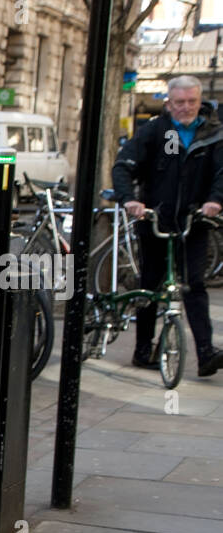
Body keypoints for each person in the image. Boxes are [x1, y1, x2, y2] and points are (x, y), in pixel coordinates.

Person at [112, 74, 223, 377]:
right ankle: (143, 350)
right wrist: (129, 200)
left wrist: (215, 200)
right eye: (179, 102)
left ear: (200, 102)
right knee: (150, 286)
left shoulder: (213, 133)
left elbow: (221, 174)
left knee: (194, 285)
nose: (185, 108)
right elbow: (124, 166)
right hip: (156, 220)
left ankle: (205, 353)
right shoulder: (155, 131)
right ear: (169, 103)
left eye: (191, 102)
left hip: (193, 222)